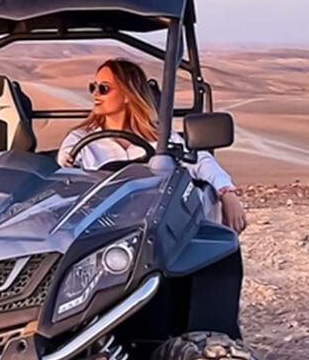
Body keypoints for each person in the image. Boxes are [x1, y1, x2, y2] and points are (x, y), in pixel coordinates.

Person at [56, 59, 247, 233]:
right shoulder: (81, 140)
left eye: (104, 88)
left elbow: (201, 162)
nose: (95, 94)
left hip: (153, 227)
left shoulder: (162, 139)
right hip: (99, 228)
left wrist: (227, 193)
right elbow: (64, 165)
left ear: (127, 95)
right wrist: (65, 160)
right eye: (93, 87)